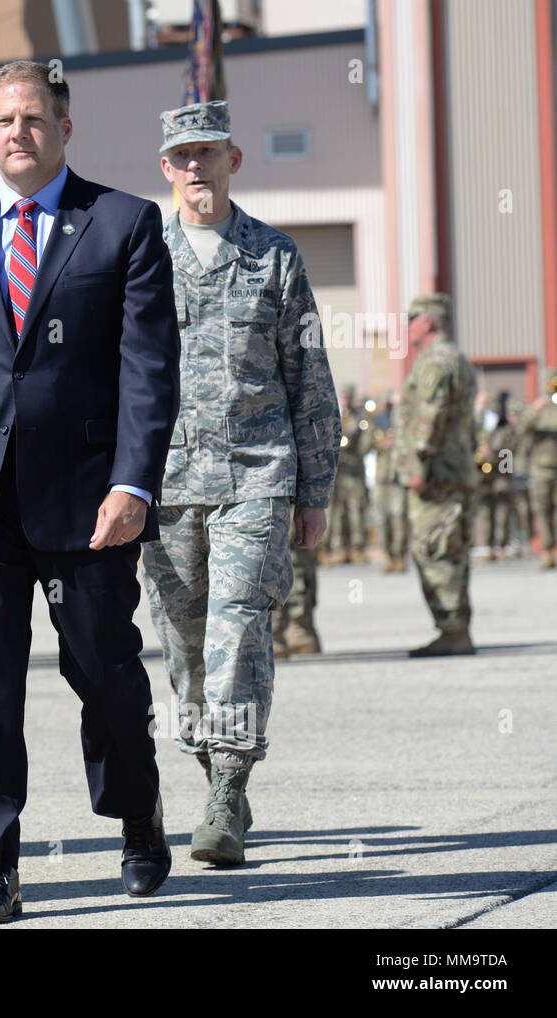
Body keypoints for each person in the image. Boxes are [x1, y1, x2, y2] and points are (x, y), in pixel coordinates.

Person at [0, 60, 181, 923]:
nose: (17, 132)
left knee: (101, 669)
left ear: (65, 128)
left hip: (88, 501)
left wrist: (133, 483)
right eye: (2, 120)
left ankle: (137, 815)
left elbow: (148, 369)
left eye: (33, 118)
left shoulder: (124, 223)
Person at [143, 100, 341, 867]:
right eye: (182, 156)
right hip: (164, 486)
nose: (196, 167)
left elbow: (310, 379)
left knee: (237, 629)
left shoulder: (275, 256)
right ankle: (209, 759)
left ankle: (227, 785)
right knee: (185, 645)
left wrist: (314, 491)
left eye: (209, 153)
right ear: (166, 167)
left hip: (257, 477)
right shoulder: (142, 258)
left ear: (234, 161)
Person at [393, 293, 477, 656]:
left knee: (436, 549)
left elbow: (431, 417)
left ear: (427, 322)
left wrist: (418, 466)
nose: (408, 327)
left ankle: (453, 629)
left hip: (437, 474)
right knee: (450, 549)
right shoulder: (454, 357)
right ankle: (454, 628)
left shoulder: (436, 362)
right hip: (453, 470)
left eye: (411, 319)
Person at [518, 371, 557, 568]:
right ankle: (548, 552)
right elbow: (522, 430)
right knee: (542, 511)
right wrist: (534, 410)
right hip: (541, 469)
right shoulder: (539, 408)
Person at [329, 385, 372, 563]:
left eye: (349, 398)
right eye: (344, 397)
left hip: (354, 470)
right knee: (337, 511)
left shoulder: (360, 418)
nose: (346, 401)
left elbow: (366, 442)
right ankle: (339, 548)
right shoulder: (333, 415)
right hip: (338, 471)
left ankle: (357, 548)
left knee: (356, 510)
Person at [475, 391, 517, 560]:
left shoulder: (507, 430)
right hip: (485, 478)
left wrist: (494, 454)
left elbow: (509, 453)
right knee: (486, 513)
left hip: (501, 476)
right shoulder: (484, 430)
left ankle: (502, 547)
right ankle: (489, 547)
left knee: (502, 514)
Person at [372, 394, 409, 571]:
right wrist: (378, 440)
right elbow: (364, 447)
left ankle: (400, 555)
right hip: (382, 478)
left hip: (398, 477)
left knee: (399, 518)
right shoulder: (376, 423)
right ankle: (389, 556)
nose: (389, 408)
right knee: (382, 519)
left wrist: (397, 442)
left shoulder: (403, 424)